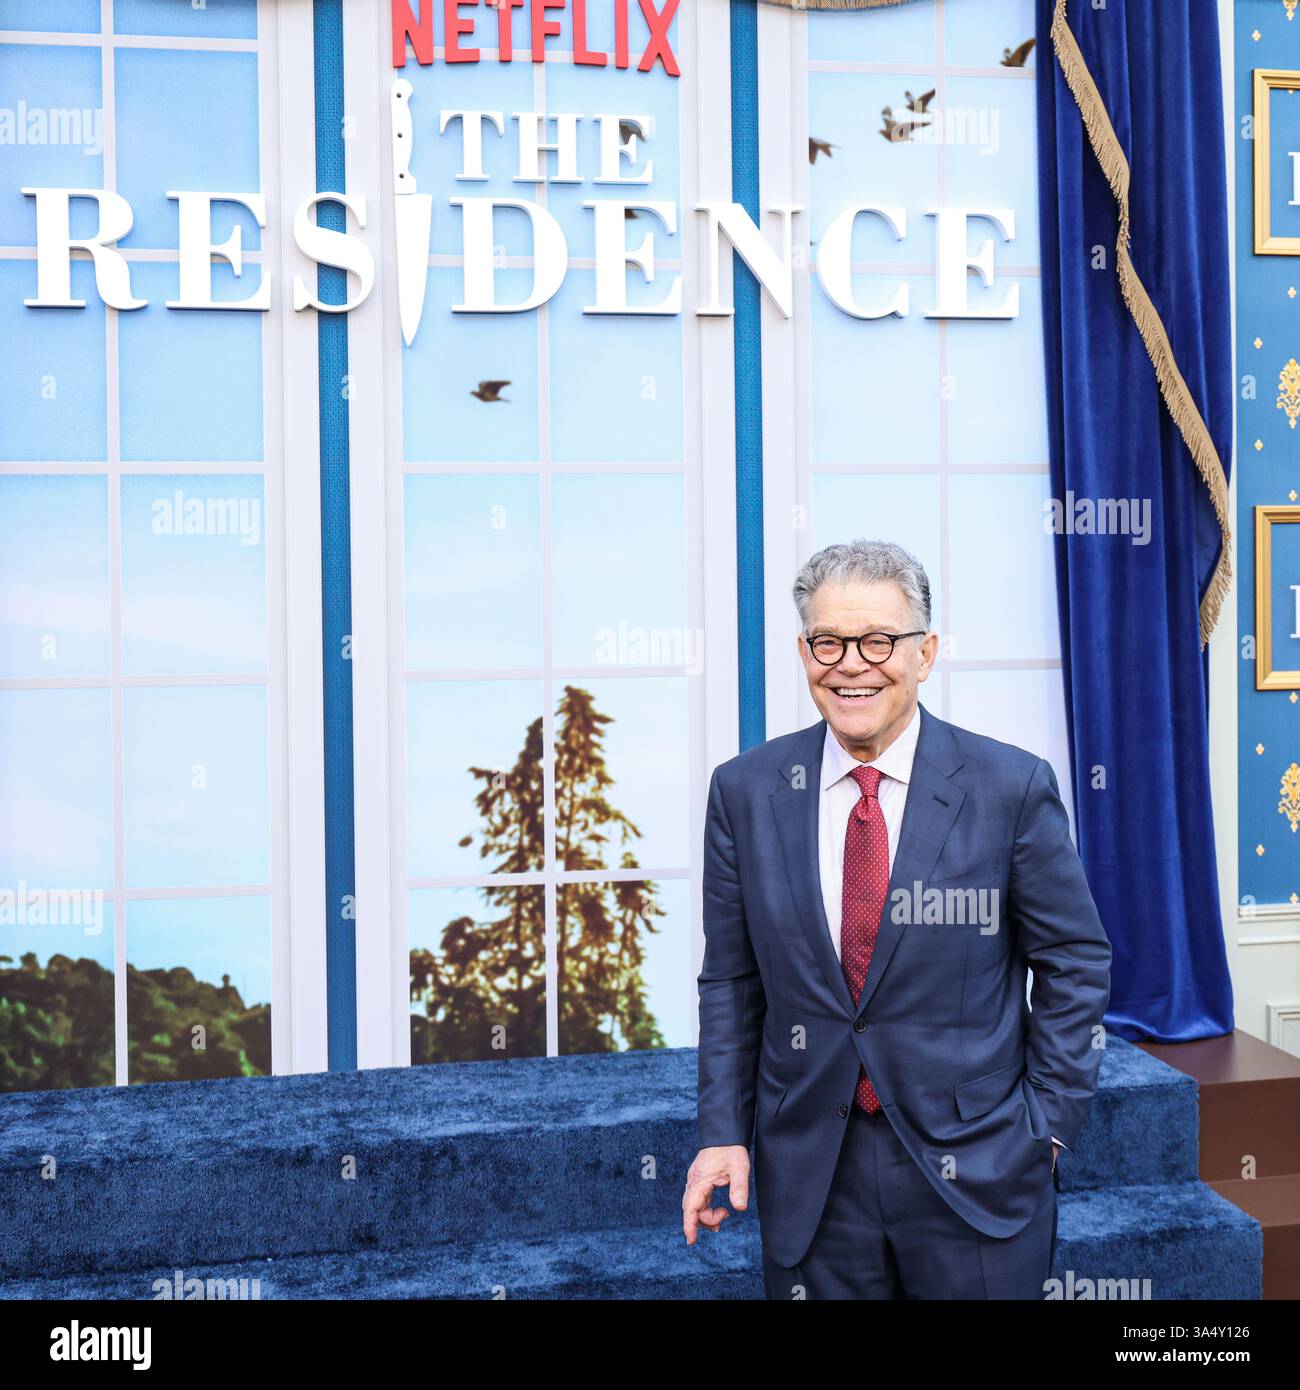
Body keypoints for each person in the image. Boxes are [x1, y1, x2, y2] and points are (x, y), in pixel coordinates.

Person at [682, 538, 1111, 1299]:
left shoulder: (1010, 788)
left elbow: (1076, 960)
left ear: (925, 652)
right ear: (803, 651)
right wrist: (723, 1130)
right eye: (828, 642)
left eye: (879, 640)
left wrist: (1044, 1127)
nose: (852, 664)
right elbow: (731, 981)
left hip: (977, 1172)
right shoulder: (744, 793)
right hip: (812, 1176)